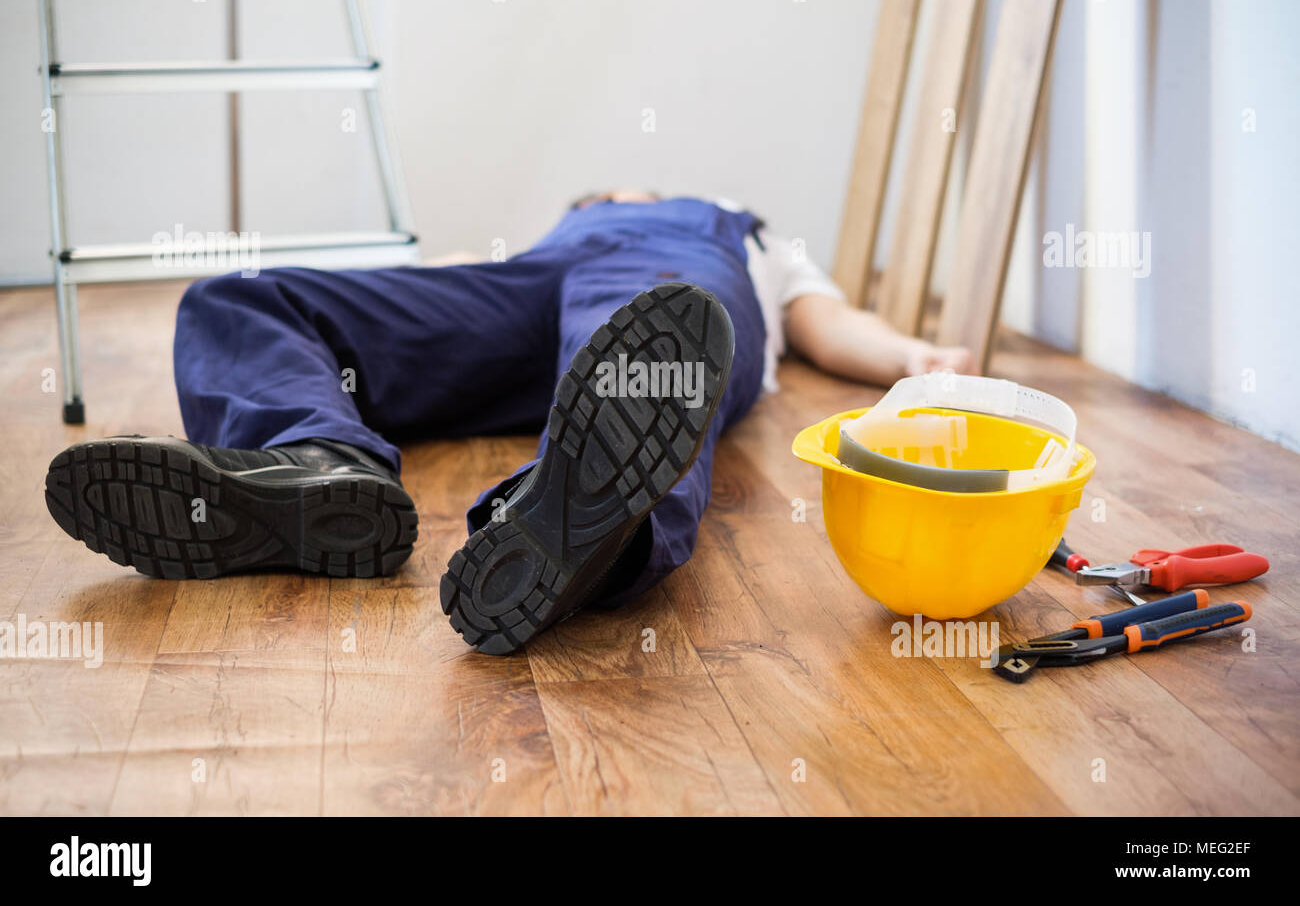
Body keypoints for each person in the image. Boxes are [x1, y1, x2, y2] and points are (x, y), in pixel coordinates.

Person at [44, 191, 974, 655]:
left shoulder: (745, 232)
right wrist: (414, 290)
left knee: (663, 347)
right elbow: (450, 284)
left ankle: (581, 523)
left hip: (656, 289)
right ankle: (320, 463)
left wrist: (909, 359)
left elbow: (824, 322)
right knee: (239, 297)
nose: (614, 188)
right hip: (522, 297)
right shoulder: (560, 227)